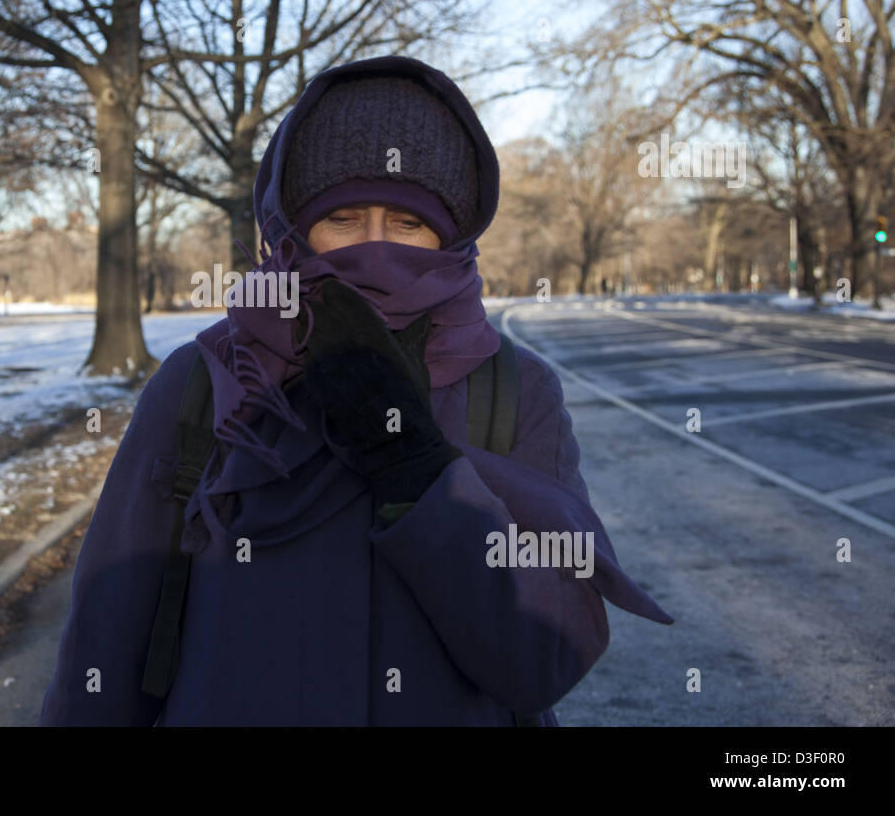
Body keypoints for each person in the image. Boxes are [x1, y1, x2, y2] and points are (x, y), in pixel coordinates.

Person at [39, 54, 672, 726]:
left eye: (407, 223)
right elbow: (105, 650)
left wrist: (422, 475)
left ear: (450, 233)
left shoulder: (513, 388)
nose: (375, 249)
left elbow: (543, 658)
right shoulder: (206, 384)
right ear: (292, 226)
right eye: (343, 218)